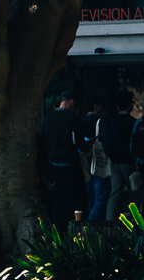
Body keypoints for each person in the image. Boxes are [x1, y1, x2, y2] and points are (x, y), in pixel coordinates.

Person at [40, 89, 88, 227]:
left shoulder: (47, 120)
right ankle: (77, 228)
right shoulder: (73, 119)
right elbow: (80, 143)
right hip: (71, 165)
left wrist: (48, 175)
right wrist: (86, 147)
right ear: (72, 102)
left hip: (53, 165)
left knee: (56, 201)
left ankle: (56, 231)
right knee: (77, 199)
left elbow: (42, 146)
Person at [95, 89, 137, 223]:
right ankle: (135, 223)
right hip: (130, 162)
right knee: (134, 193)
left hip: (114, 162)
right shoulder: (133, 122)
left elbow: (106, 142)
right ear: (129, 104)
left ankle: (110, 223)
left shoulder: (109, 121)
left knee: (114, 194)